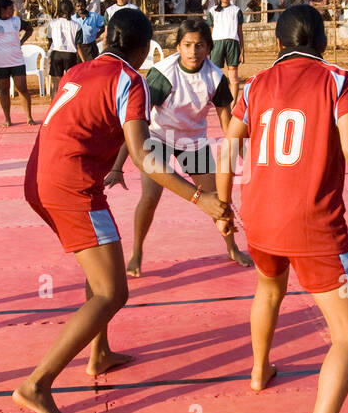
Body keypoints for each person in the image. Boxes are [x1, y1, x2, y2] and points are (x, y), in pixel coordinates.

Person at [18, 9, 229, 413]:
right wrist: (198, 198)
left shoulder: (77, 71)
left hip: (38, 178)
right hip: (71, 187)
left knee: (98, 273)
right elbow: (143, 153)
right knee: (113, 293)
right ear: (143, 47)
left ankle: (99, 353)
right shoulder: (131, 80)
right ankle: (36, 383)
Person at [212, 5, 348, 413]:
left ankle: (260, 369)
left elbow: (229, 148)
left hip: (260, 215)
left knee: (269, 288)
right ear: (323, 43)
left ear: (277, 44)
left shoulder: (257, 84)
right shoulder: (338, 79)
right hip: (314, 224)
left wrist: (224, 209)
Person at [106, 17, 252, 278]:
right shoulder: (163, 74)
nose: (193, 51)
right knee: (150, 198)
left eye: (199, 46)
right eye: (187, 45)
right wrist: (117, 167)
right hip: (159, 138)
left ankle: (232, 247)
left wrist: (242, 154)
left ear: (208, 47)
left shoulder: (215, 76)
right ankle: (136, 252)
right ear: (178, 47)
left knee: (217, 200)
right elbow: (135, 119)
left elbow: (226, 120)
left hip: (193, 142)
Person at [0, 0, 36, 127]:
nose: (13, 11)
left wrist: (21, 41)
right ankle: (7, 119)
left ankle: (29, 117)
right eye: (10, 8)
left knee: (22, 88)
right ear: (2, 9)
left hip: (17, 60)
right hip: (0, 62)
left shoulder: (16, 20)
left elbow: (30, 29)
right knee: (4, 90)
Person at [205, 0, 244, 99]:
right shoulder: (212, 11)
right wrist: (209, 48)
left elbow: (240, 32)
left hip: (232, 43)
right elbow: (210, 31)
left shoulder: (236, 10)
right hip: (217, 43)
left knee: (233, 77)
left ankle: (232, 106)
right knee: (216, 75)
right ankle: (219, 102)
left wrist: (243, 50)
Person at [46, 0, 82, 92]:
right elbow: (78, 46)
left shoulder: (52, 23)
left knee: (56, 86)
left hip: (56, 53)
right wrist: (83, 60)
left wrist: (50, 54)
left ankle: (54, 105)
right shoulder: (77, 25)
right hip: (70, 55)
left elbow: (50, 40)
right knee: (71, 85)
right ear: (72, 10)